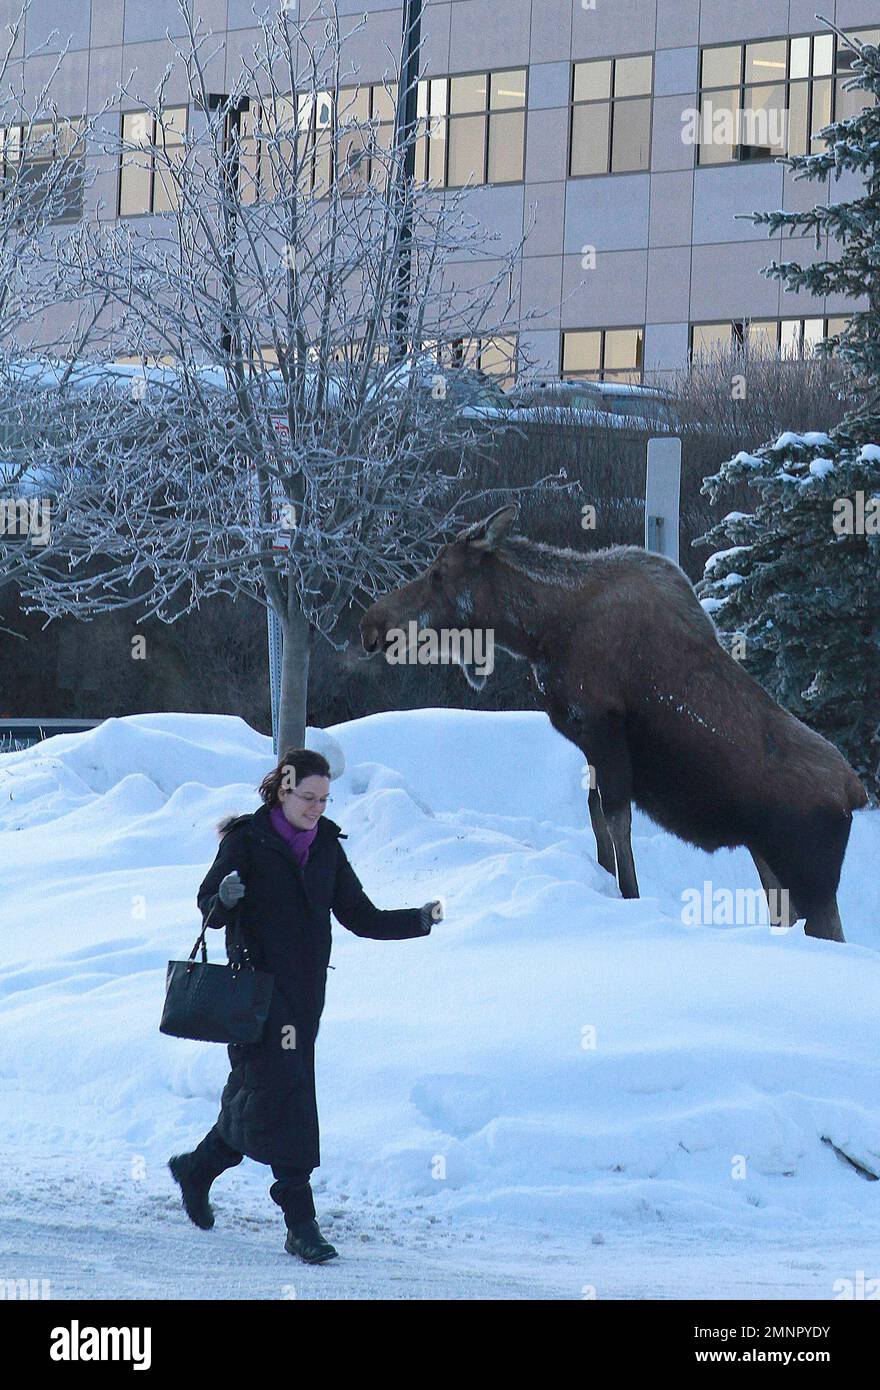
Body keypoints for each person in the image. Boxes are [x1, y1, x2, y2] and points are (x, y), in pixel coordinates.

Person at [168, 747, 442, 1263]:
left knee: (263, 1099)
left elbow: (360, 915)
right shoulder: (248, 841)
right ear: (283, 790)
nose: (317, 807)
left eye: (324, 799)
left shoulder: (327, 849)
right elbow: (210, 908)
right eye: (308, 798)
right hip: (254, 998)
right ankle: (300, 1224)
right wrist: (223, 898)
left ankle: (199, 1167)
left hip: (304, 1000)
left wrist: (418, 920)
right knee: (288, 1100)